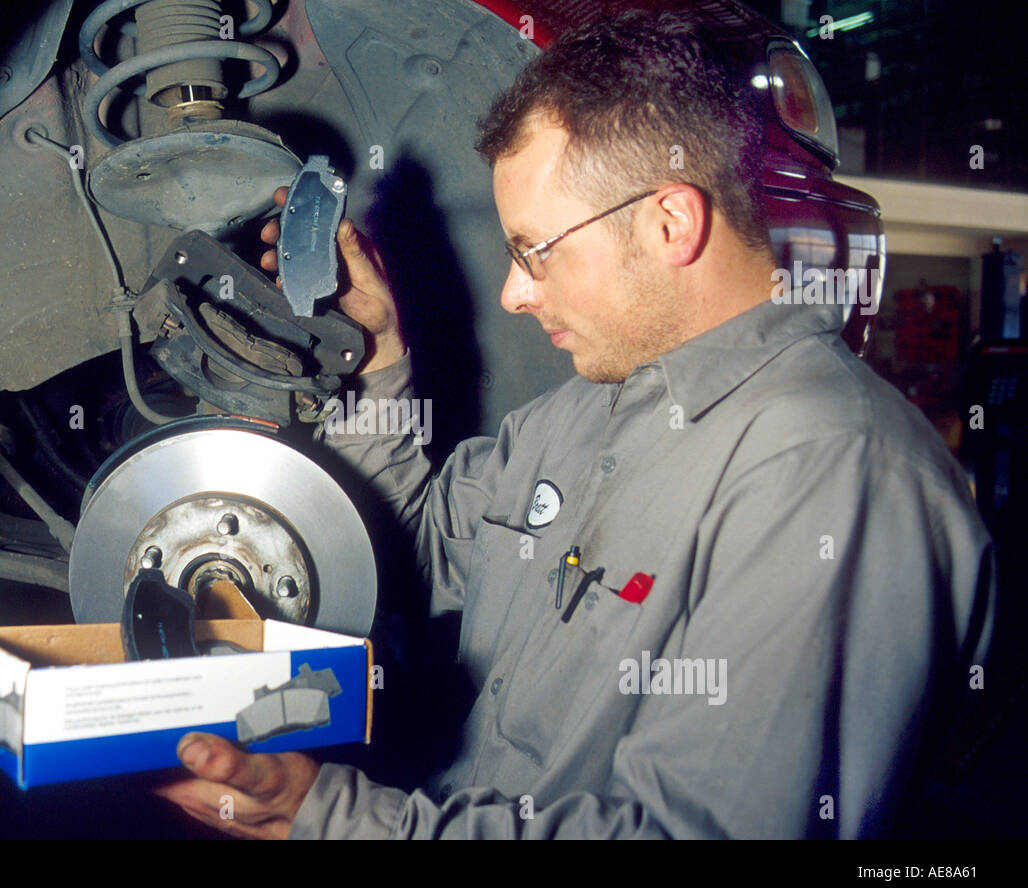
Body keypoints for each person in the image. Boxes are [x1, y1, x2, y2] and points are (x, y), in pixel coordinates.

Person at [153, 8, 995, 839]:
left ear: (672, 223)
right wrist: (378, 358)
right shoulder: (574, 417)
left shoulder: (834, 476)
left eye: (535, 251)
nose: (514, 293)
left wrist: (338, 820)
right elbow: (400, 559)